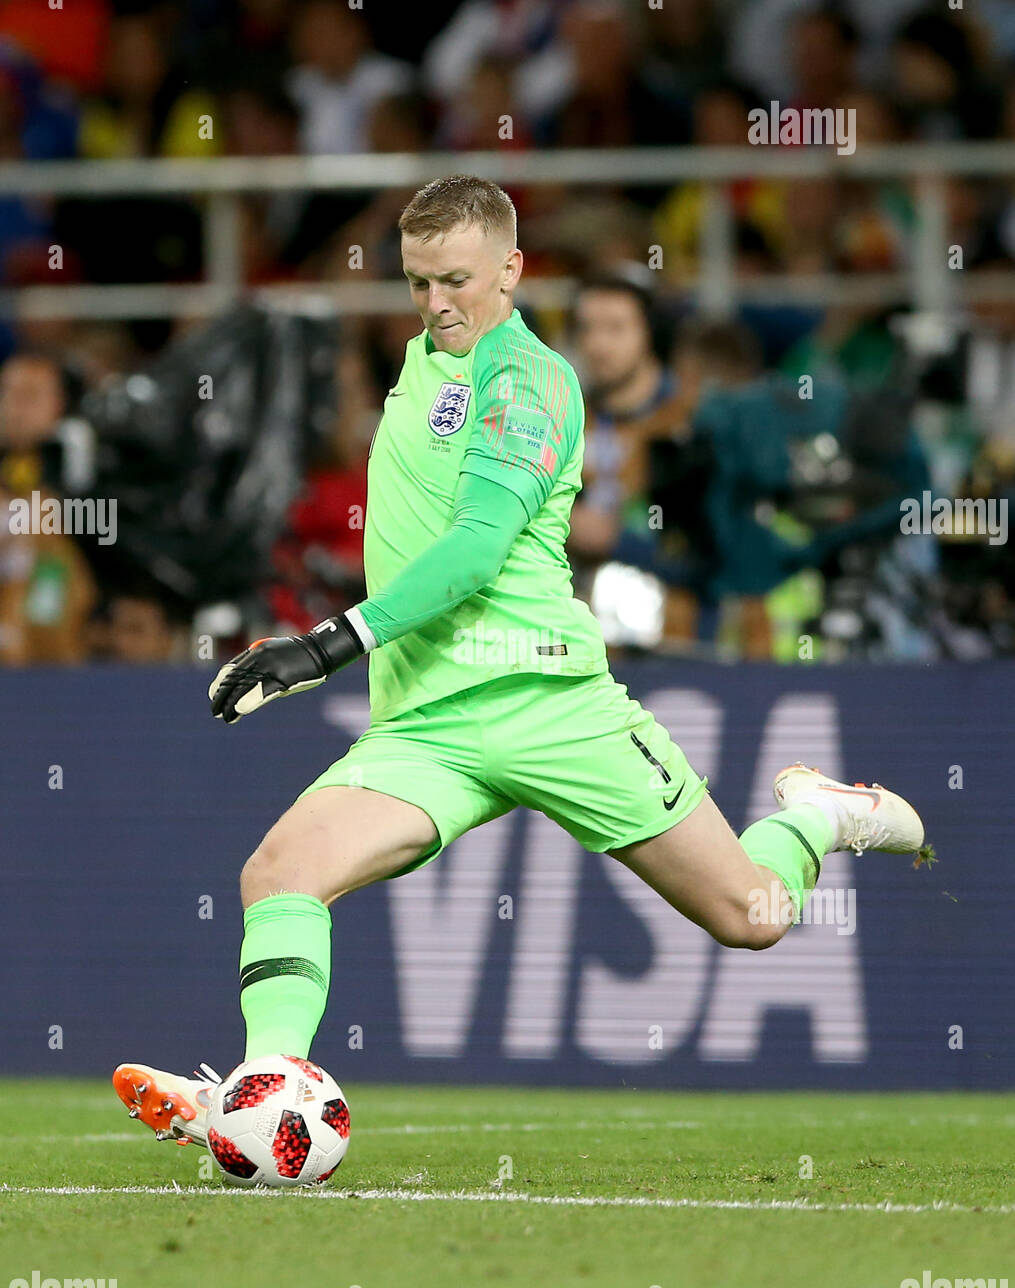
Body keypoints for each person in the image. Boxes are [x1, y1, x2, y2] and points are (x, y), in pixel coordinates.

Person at [113, 176, 928, 1152]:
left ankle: (813, 814)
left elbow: (475, 550)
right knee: (279, 873)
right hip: (426, 727)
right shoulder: (422, 362)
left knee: (751, 914)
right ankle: (262, 1089)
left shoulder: (530, 381)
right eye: (417, 283)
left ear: (511, 269)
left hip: (550, 701)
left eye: (455, 280)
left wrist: (325, 645)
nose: (435, 303)